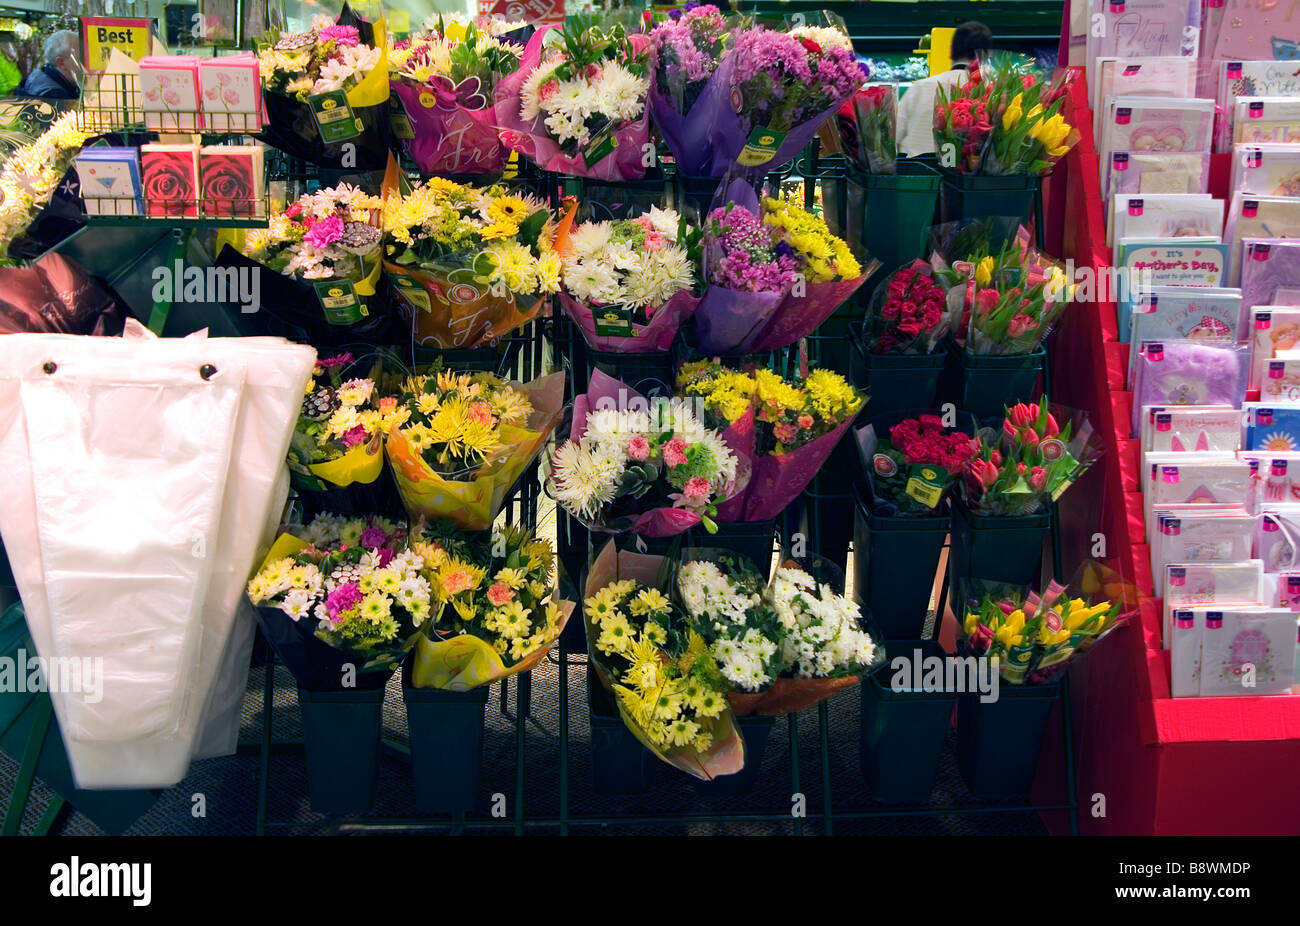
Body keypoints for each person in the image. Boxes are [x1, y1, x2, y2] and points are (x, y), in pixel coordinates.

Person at [896, 21, 992, 158]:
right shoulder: (992, 91)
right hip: (968, 174)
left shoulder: (920, 87)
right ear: (987, 55)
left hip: (918, 172)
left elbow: (893, 136)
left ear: (950, 50)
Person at [16, 30, 82, 100]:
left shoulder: (43, 72)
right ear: (61, 63)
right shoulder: (54, 97)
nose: (89, 63)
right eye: (81, 57)